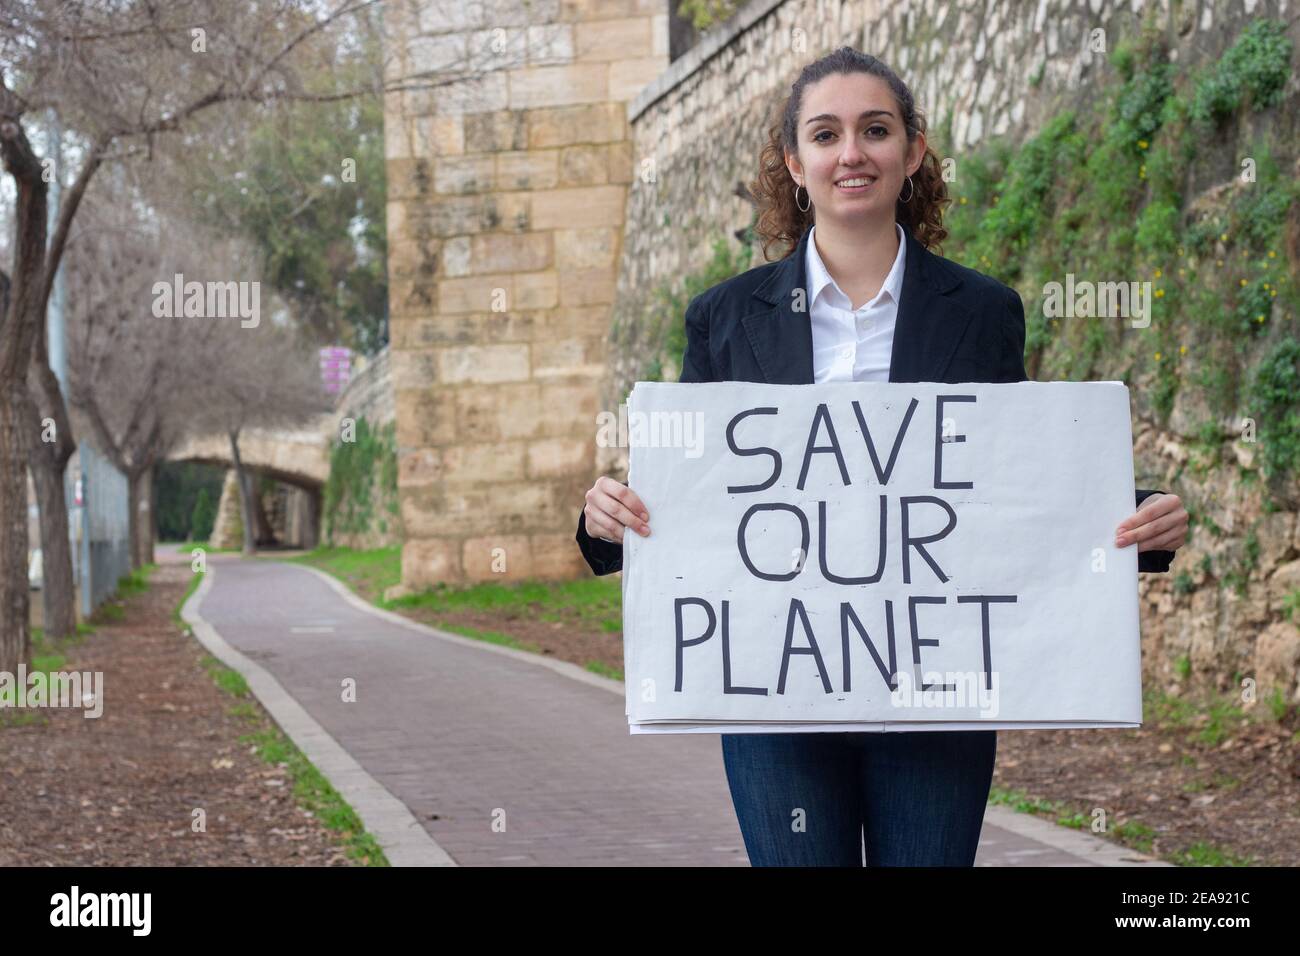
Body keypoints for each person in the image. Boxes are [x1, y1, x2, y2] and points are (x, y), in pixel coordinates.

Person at [575, 47, 1188, 866]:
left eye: (875, 130)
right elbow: (696, 500)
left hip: (934, 695)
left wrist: (1139, 515)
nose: (852, 152)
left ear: (912, 152)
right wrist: (607, 519)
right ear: (795, 163)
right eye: (825, 135)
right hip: (774, 699)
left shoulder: (980, 311)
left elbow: (1011, 485)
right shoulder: (724, 319)